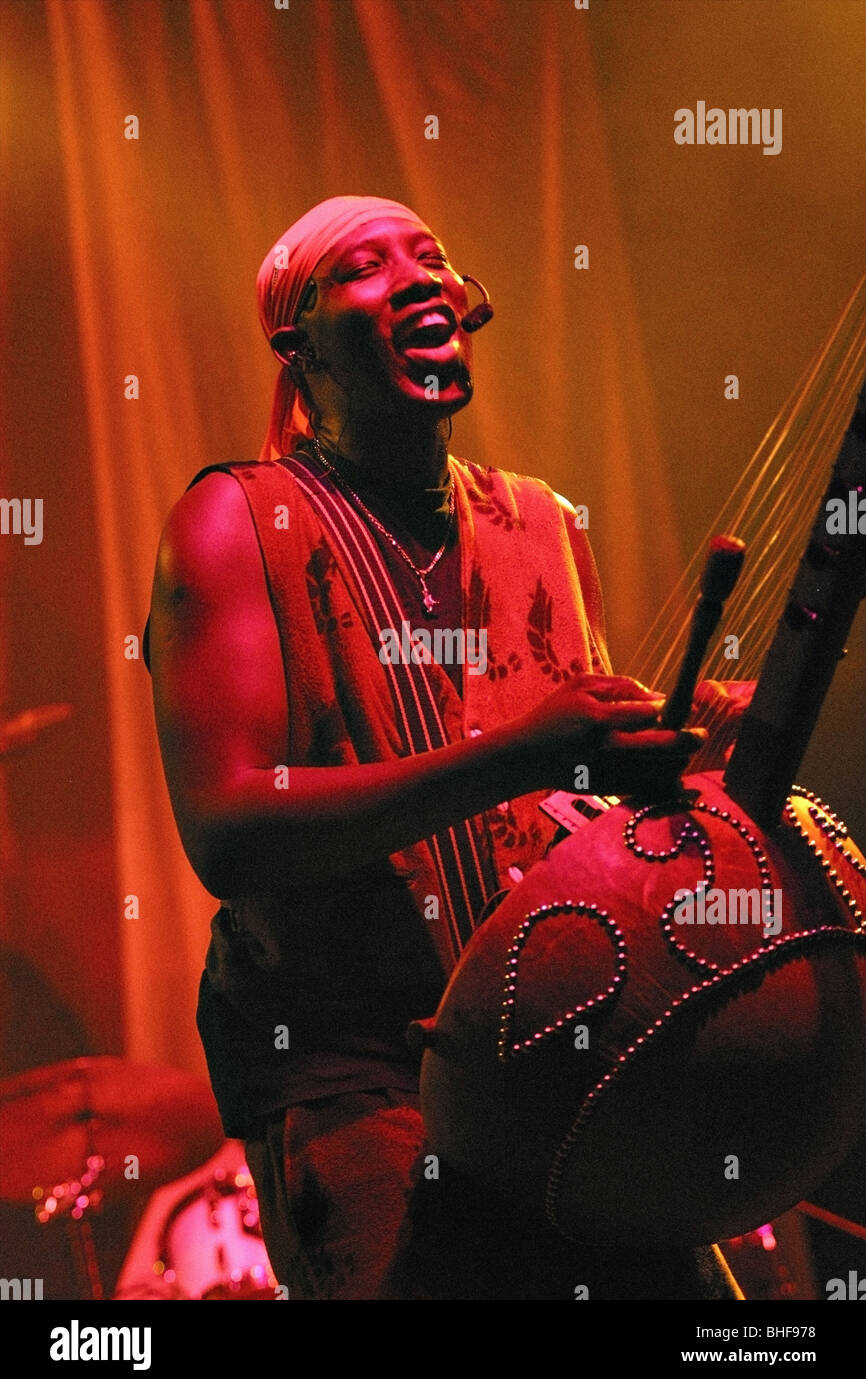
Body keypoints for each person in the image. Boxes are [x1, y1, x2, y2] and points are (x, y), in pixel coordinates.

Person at [145, 195, 746, 1299]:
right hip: (360, 1081)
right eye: (366, 268)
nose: (419, 277)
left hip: (568, 1072)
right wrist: (525, 753)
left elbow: (567, 810)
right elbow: (227, 829)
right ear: (299, 343)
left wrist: (693, 734)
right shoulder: (235, 519)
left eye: (430, 258)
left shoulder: (538, 522)